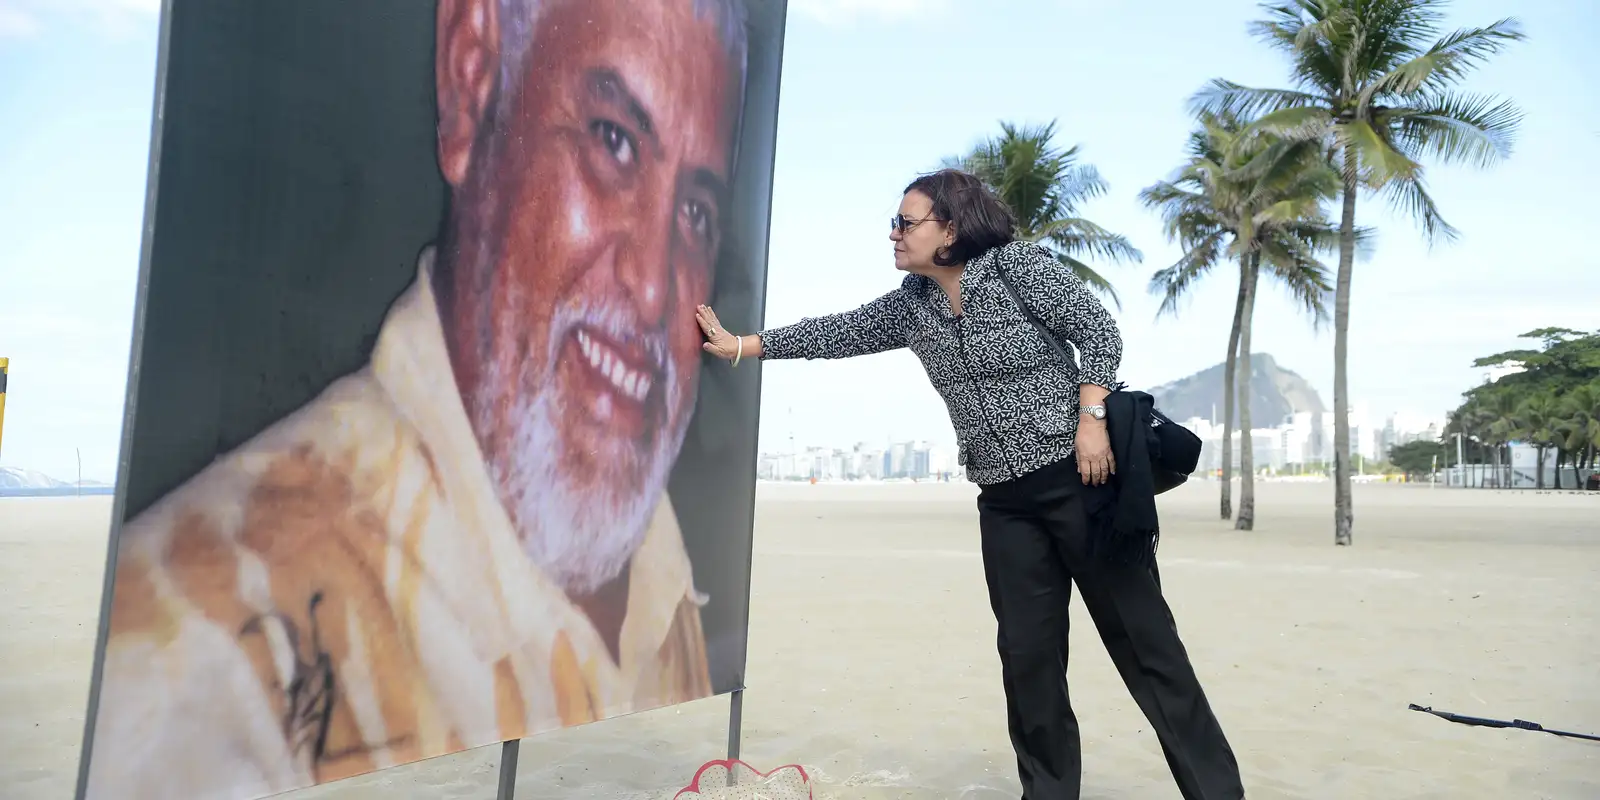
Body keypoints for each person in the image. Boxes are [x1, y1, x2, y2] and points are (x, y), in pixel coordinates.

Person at [84, 1, 749, 798]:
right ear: (470, 82)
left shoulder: (663, 582)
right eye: (613, 141)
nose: (651, 288)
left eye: (697, 214)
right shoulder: (197, 662)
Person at [696, 168, 1245, 800]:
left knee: (1149, 654)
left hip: (1083, 486)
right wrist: (741, 345)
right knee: (1028, 663)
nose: (895, 235)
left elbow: (1096, 327)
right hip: (1006, 504)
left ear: (951, 229)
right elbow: (836, 333)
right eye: (894, 223)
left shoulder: (1017, 269)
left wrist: (1091, 417)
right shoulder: (913, 306)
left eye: (907, 222)